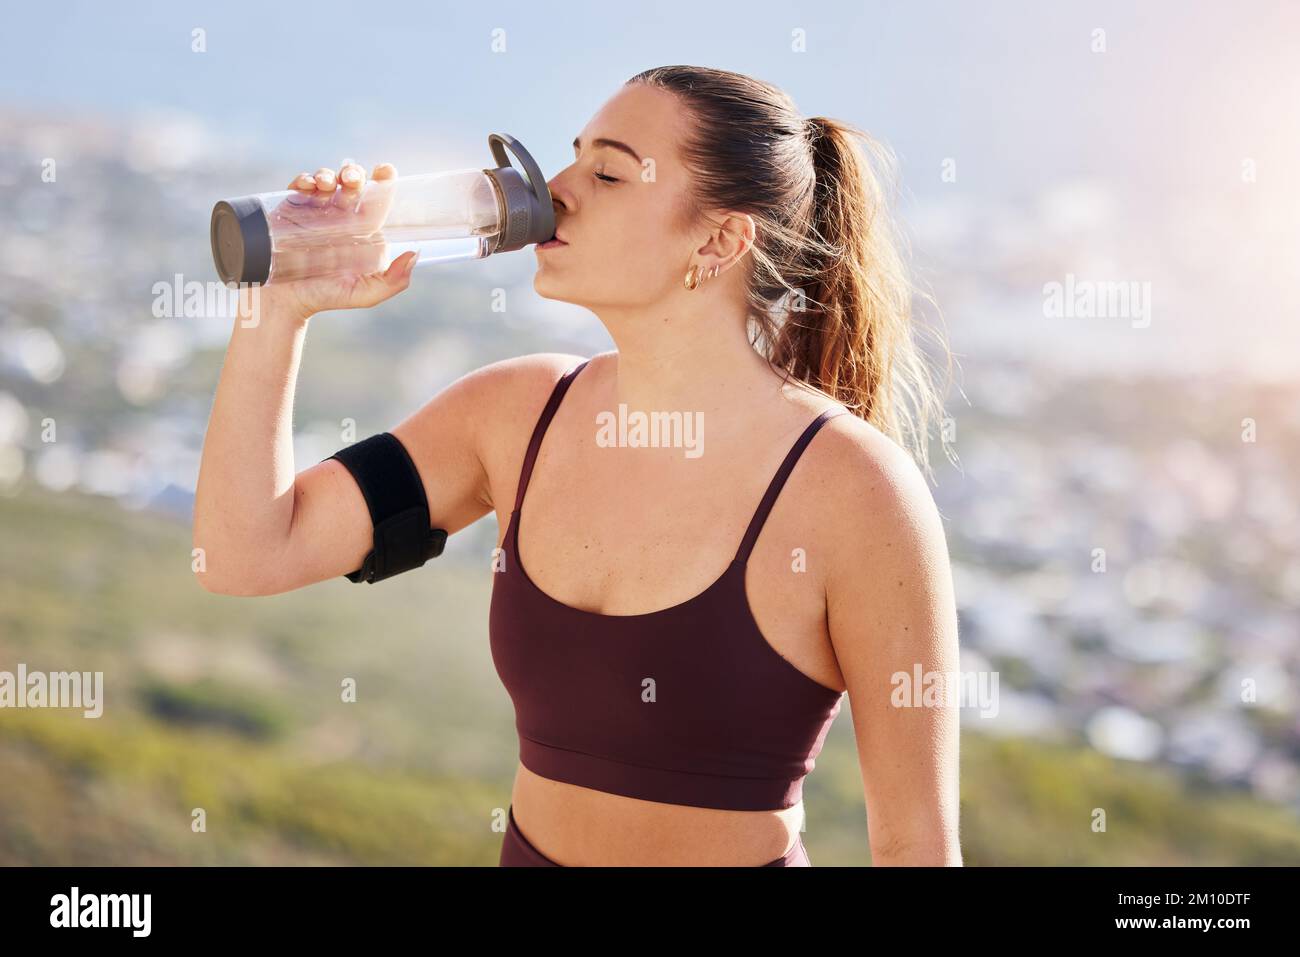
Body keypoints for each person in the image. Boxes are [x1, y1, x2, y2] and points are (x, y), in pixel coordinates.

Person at [193, 64, 961, 867]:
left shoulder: (855, 488)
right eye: (573, 159)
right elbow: (245, 553)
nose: (557, 189)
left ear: (721, 239)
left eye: (608, 172)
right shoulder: (518, 413)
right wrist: (277, 307)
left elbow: (917, 848)